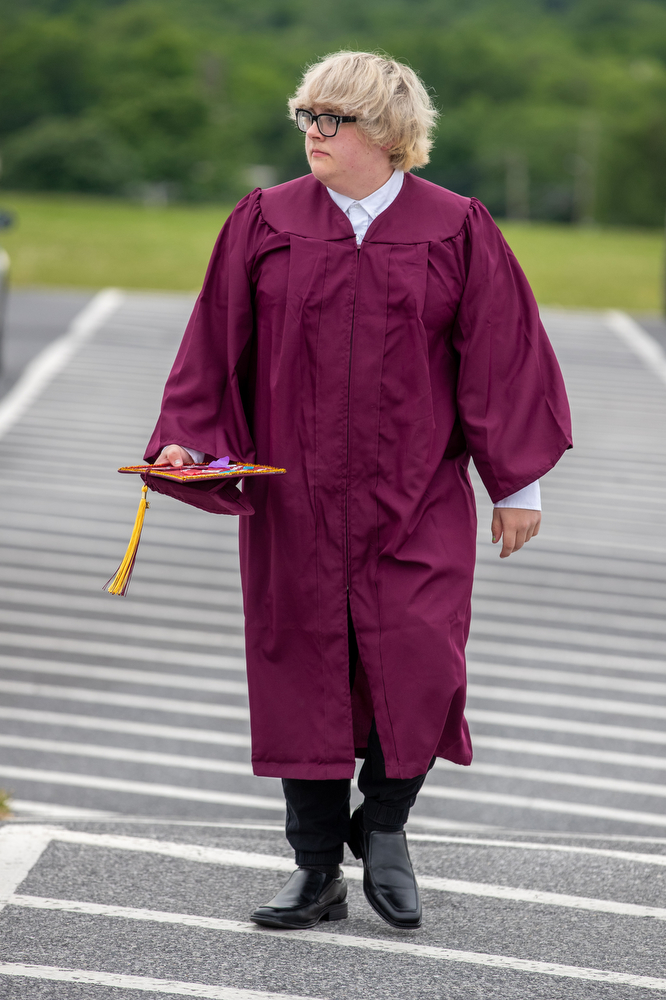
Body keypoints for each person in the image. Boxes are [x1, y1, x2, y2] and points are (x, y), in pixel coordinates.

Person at [145, 50, 572, 931]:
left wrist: (517, 482)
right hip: (292, 497)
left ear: (384, 132)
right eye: (305, 116)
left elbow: (500, 354)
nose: (313, 133)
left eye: (330, 120)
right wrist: (190, 444)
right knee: (301, 666)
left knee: (416, 659)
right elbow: (214, 344)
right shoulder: (265, 219)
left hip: (413, 495)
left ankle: (384, 833)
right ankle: (312, 867)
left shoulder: (456, 227)